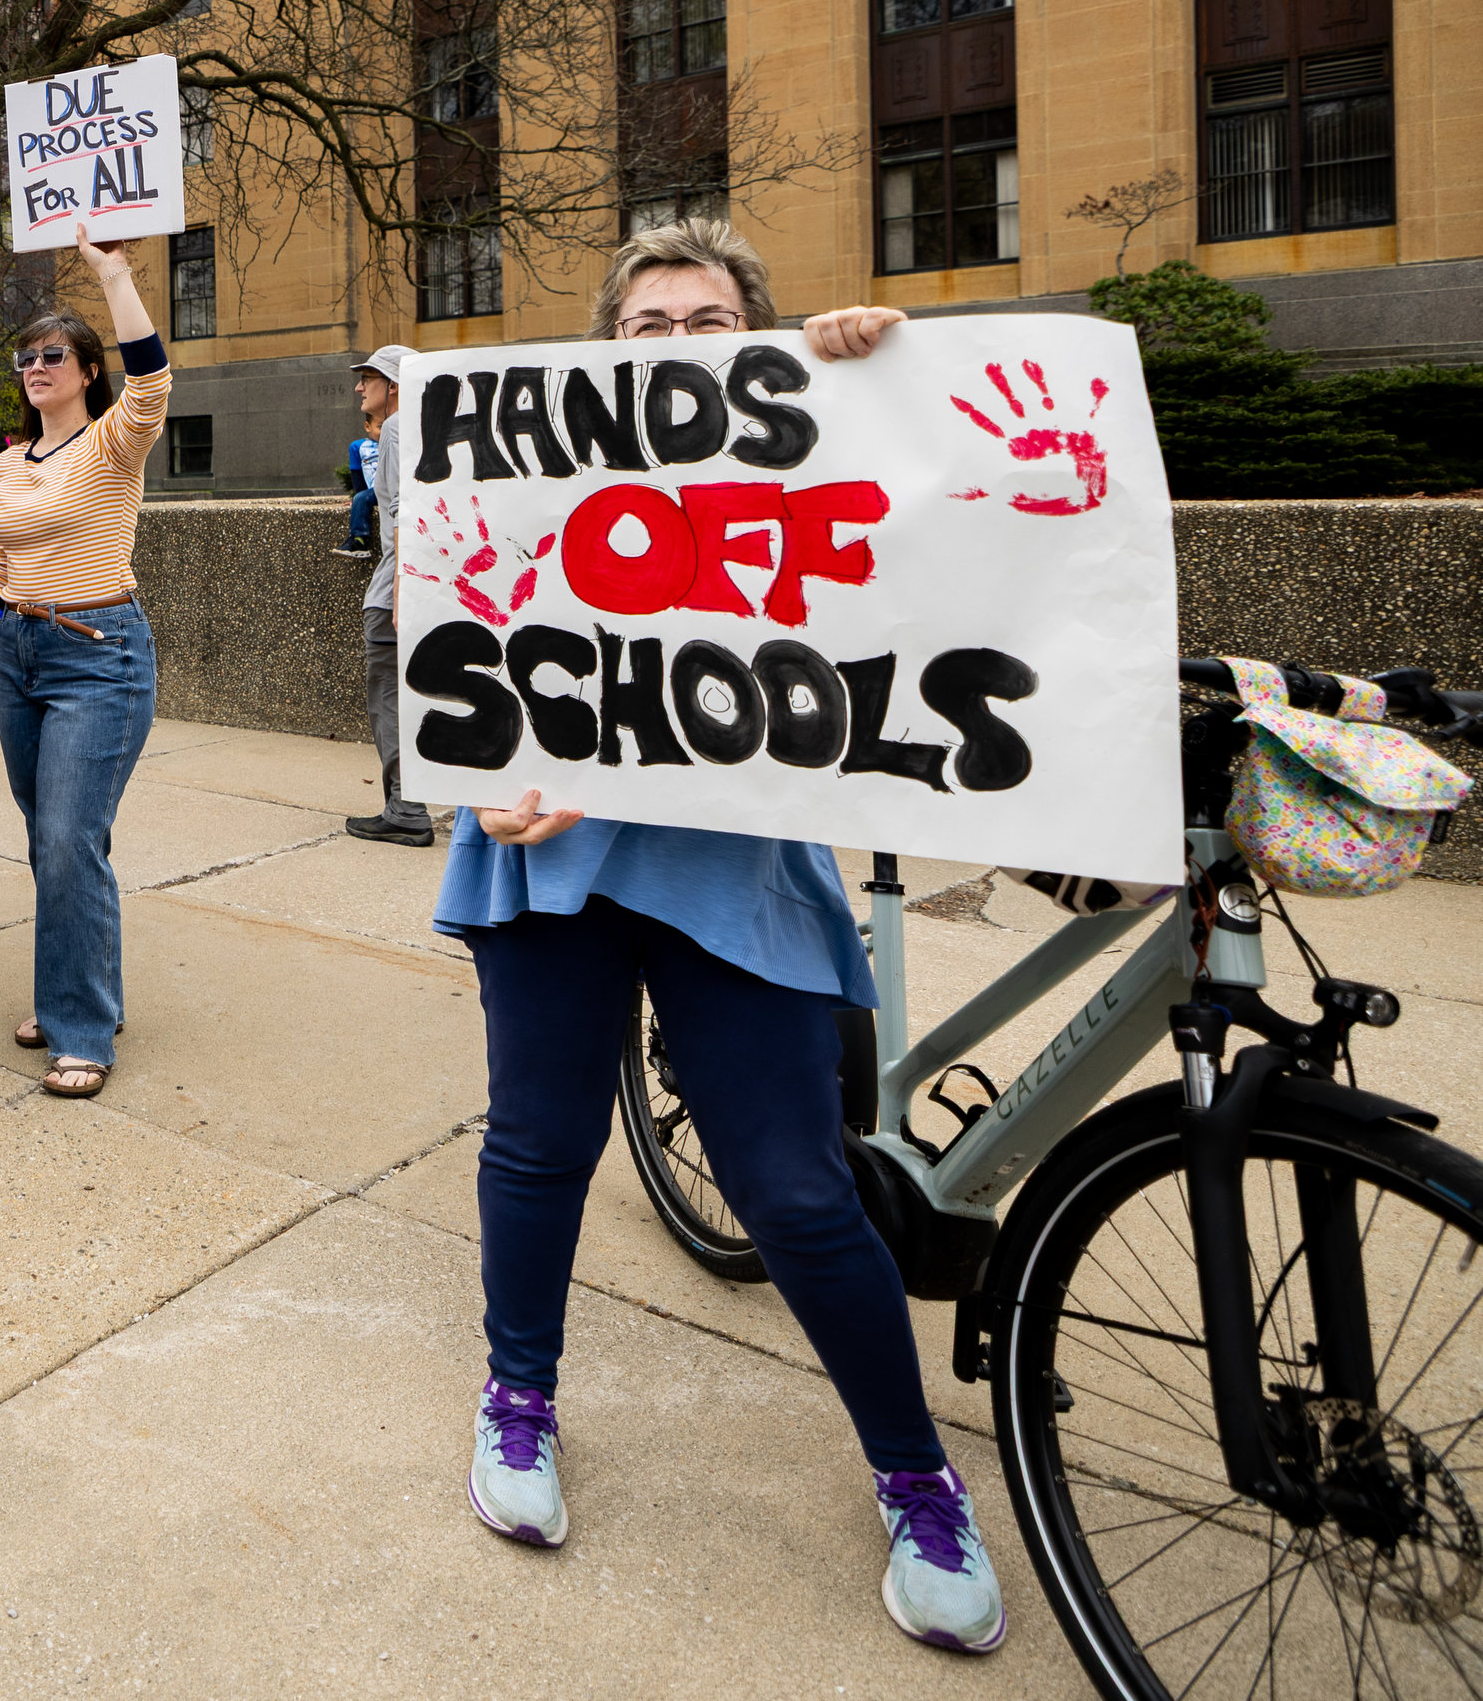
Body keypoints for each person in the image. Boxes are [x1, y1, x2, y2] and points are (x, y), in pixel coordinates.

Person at [435, 218, 1002, 1654]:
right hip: (550, 855)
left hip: (732, 870)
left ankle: (916, 1474)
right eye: (647, 327)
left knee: (798, 1189)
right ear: (605, 356)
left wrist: (885, 375)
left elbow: (952, 525)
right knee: (541, 1139)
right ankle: (518, 1395)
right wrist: (487, 774)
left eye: (708, 323)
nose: (676, 345)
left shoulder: (813, 453)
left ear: (754, 344)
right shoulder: (538, 464)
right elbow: (467, 628)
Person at [0, 225, 169, 1100]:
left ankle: (79, 1028)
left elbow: (151, 381)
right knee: (53, 843)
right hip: (24, 657)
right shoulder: (10, 463)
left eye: (52, 355)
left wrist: (113, 277)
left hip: (98, 653)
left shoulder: (114, 445)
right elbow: (2, 567)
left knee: (71, 841)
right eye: (25, 358)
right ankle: (79, 991)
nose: (35, 367)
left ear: (83, 370)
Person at [343, 345, 432, 847]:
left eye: (369, 378)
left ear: (394, 385)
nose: (360, 386)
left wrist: (399, 586)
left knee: (390, 697)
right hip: (425, 583)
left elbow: (404, 511)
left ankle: (406, 810)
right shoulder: (429, 428)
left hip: (398, 586)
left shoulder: (399, 427)